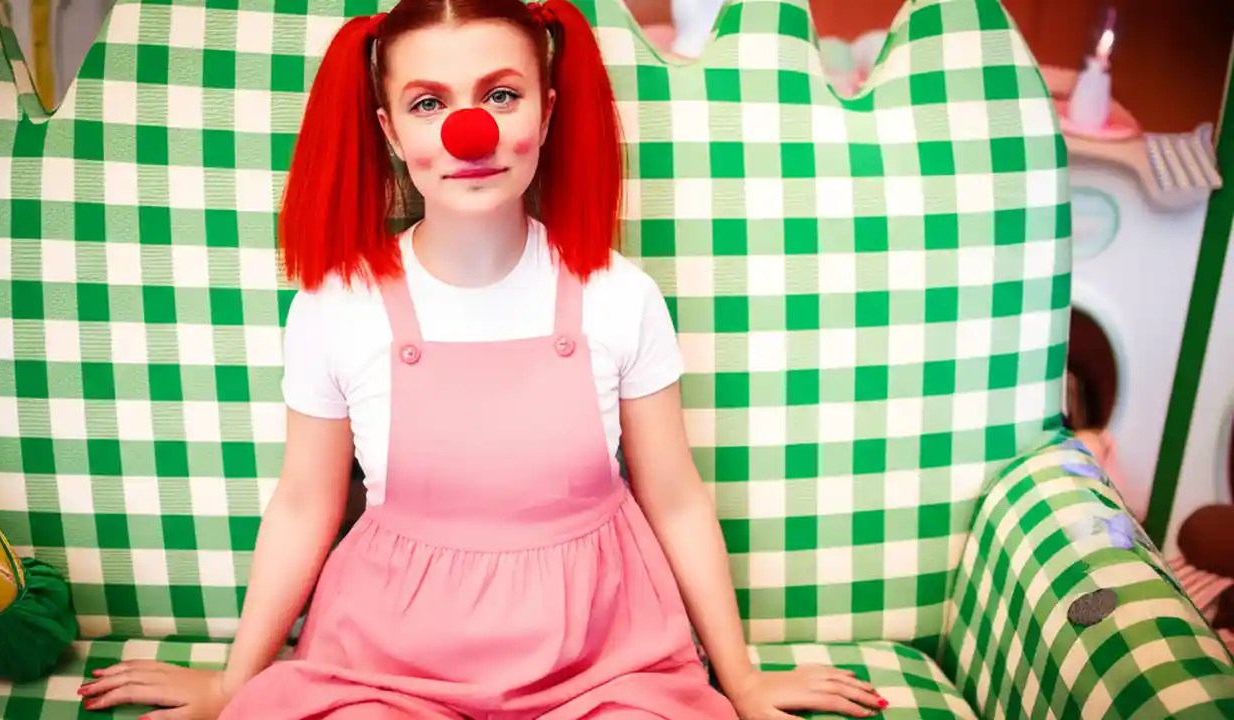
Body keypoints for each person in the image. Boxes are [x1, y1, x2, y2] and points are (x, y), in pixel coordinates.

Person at [76, 0, 890, 717]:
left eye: (502, 95)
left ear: (548, 107)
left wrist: (741, 680)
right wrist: (230, 683)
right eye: (429, 104)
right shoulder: (337, 305)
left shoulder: (617, 295)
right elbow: (303, 504)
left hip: (600, 659)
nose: (473, 133)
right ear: (390, 130)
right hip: (390, 661)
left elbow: (675, 497)